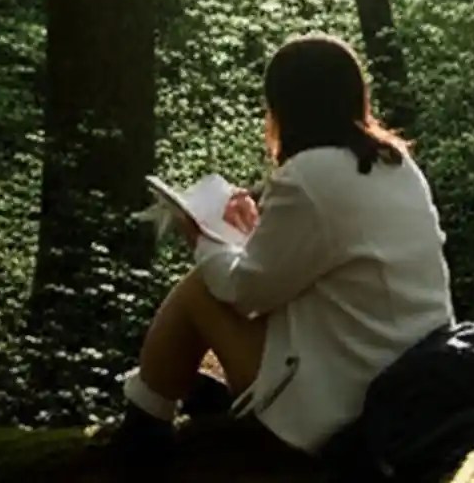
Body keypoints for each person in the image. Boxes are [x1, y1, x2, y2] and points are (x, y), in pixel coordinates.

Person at [115, 33, 455, 459]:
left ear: (284, 107)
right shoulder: (396, 164)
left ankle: (143, 426)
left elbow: (245, 292)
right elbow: (321, 266)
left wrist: (203, 238)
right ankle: (184, 400)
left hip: (348, 402)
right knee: (215, 284)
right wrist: (255, 232)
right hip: (415, 378)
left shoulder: (307, 175)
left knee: (200, 288)